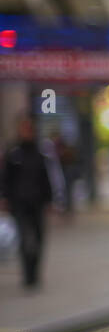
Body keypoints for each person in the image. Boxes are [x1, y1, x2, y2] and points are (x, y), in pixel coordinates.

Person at [2, 116, 53, 289]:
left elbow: (46, 178)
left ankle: (35, 272)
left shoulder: (39, 153)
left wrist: (49, 199)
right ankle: (27, 275)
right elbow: (6, 179)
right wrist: (5, 198)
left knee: (38, 238)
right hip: (19, 203)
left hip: (37, 202)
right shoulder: (14, 153)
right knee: (24, 239)